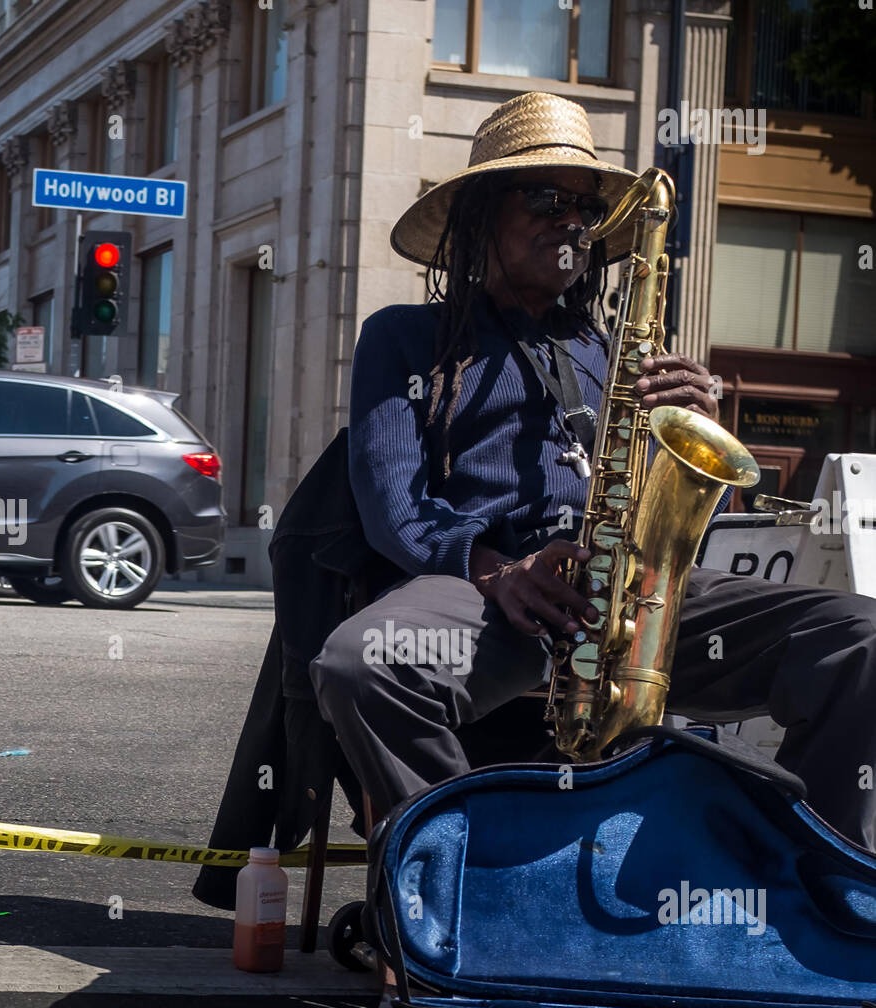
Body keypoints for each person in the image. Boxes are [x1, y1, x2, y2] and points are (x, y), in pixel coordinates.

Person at [310, 92, 876, 870]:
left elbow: (676, 510)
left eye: (582, 206)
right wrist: (496, 570)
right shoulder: (404, 336)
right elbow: (392, 506)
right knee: (362, 664)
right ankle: (461, 880)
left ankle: (814, 886)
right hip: (494, 593)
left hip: (635, 588)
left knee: (860, 638)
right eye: (542, 197)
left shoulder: (612, 348)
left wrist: (699, 423)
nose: (570, 220)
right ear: (479, 215)